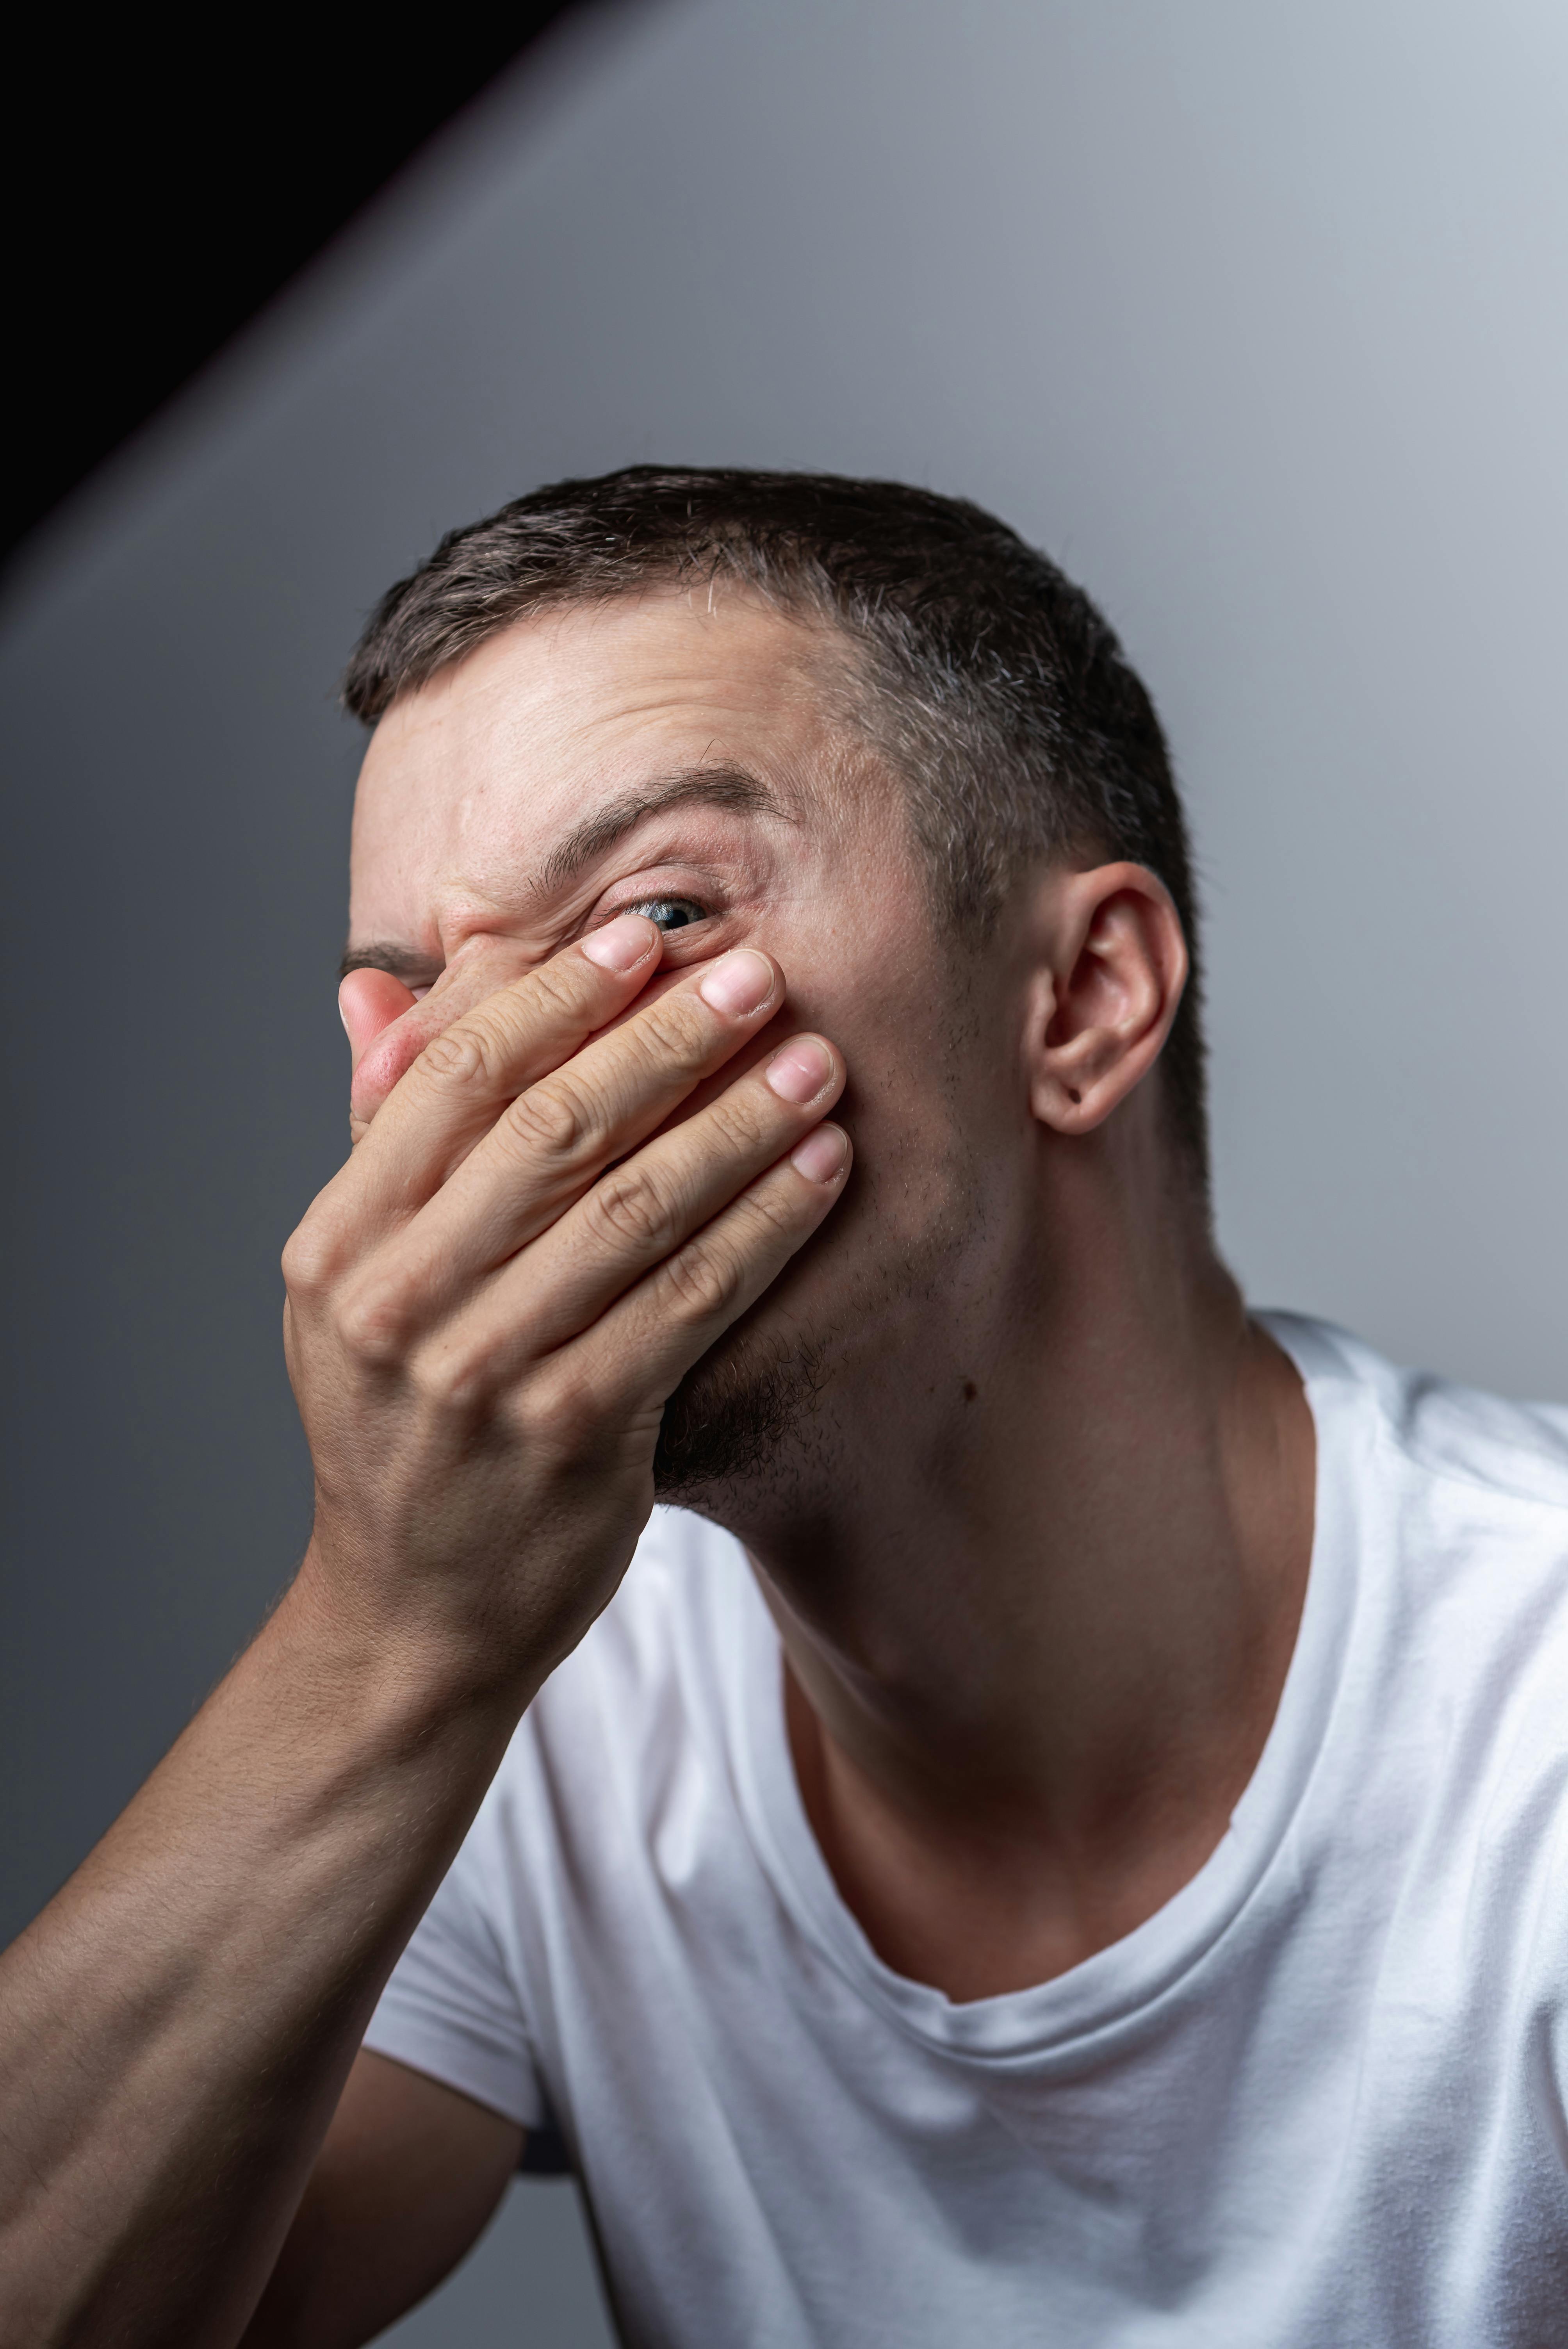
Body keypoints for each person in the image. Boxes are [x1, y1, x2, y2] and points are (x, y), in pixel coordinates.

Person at [1, 468, 1565, 2349]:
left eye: (656, 911)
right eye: (410, 999)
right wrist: (389, 1635)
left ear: (1080, 998)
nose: (477, 1089)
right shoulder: (538, 1699)